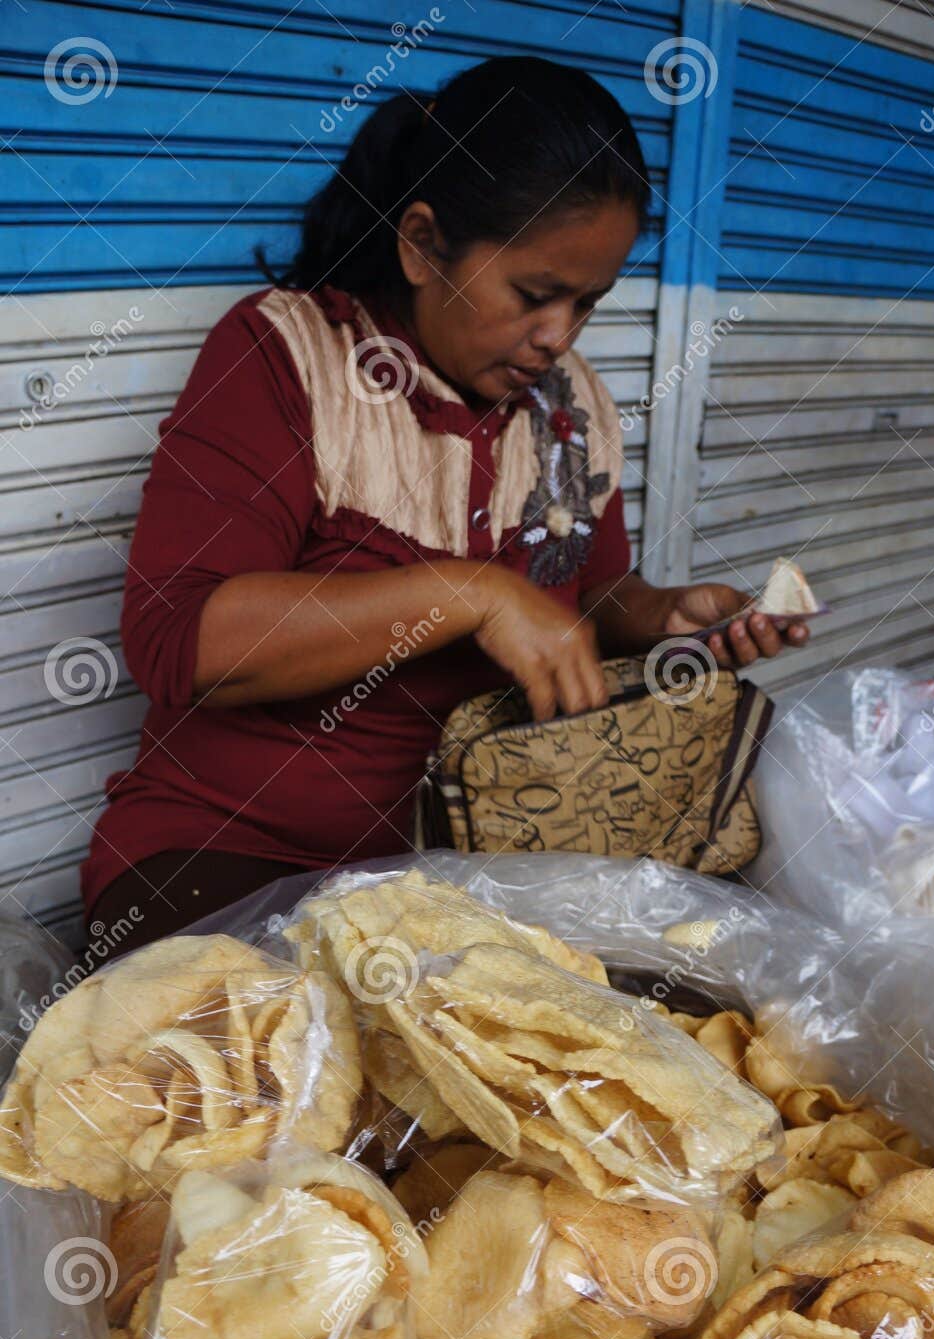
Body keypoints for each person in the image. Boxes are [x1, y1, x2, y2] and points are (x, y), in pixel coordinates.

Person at [80, 55, 808, 960]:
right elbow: (182, 641)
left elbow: (587, 598)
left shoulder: (568, 410)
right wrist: (469, 593)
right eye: (534, 296)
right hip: (233, 855)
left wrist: (662, 616)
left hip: (485, 866)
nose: (559, 336)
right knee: (276, 1041)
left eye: (587, 303)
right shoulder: (286, 358)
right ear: (423, 245)